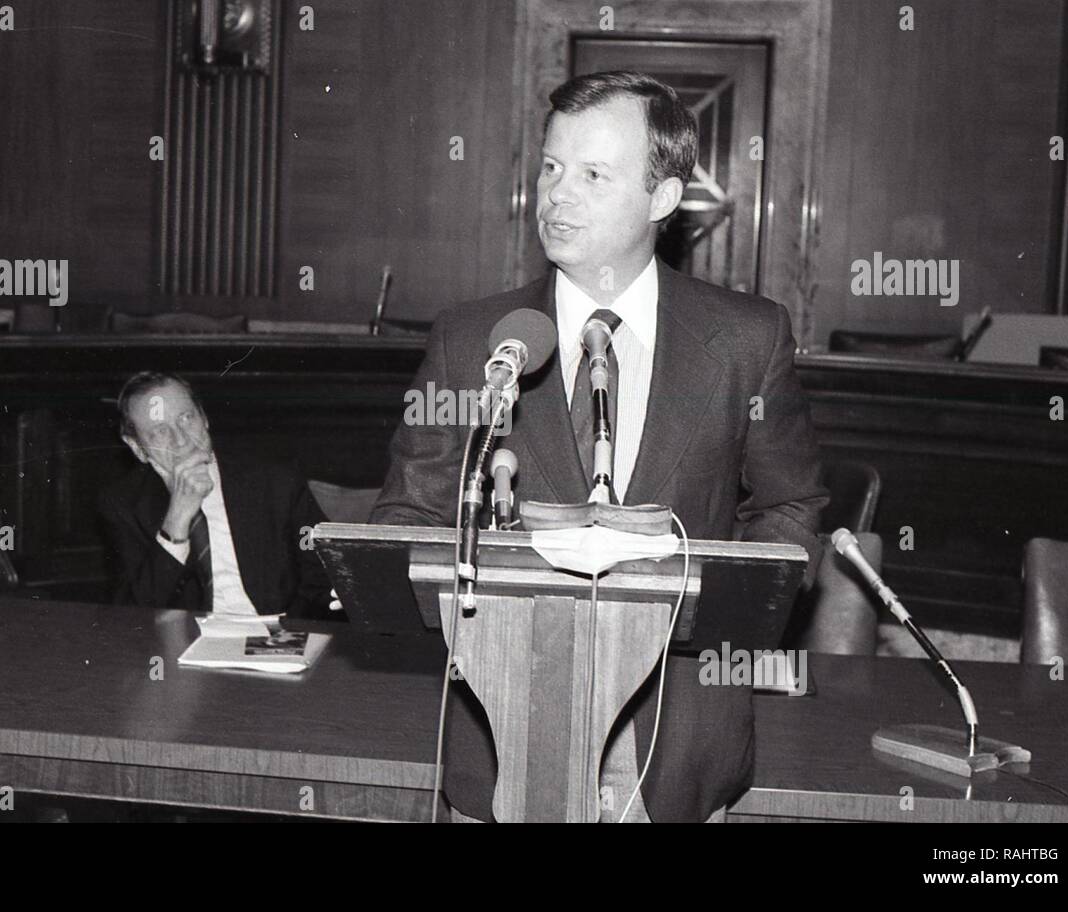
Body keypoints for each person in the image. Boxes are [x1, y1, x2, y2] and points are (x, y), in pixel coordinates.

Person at [371, 71, 828, 821]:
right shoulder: (471, 341)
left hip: (675, 744)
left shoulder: (749, 337)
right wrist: (468, 545)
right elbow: (406, 517)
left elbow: (791, 502)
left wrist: (720, 609)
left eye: (592, 174)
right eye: (551, 167)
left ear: (663, 199)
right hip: (500, 737)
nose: (558, 194)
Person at [99, 371, 332, 620]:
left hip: (276, 634)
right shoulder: (122, 505)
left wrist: (284, 634)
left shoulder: (275, 481)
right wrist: (175, 521)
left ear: (204, 418)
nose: (181, 440)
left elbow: (324, 573)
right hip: (183, 645)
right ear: (137, 448)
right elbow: (132, 614)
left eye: (186, 418)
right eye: (159, 431)